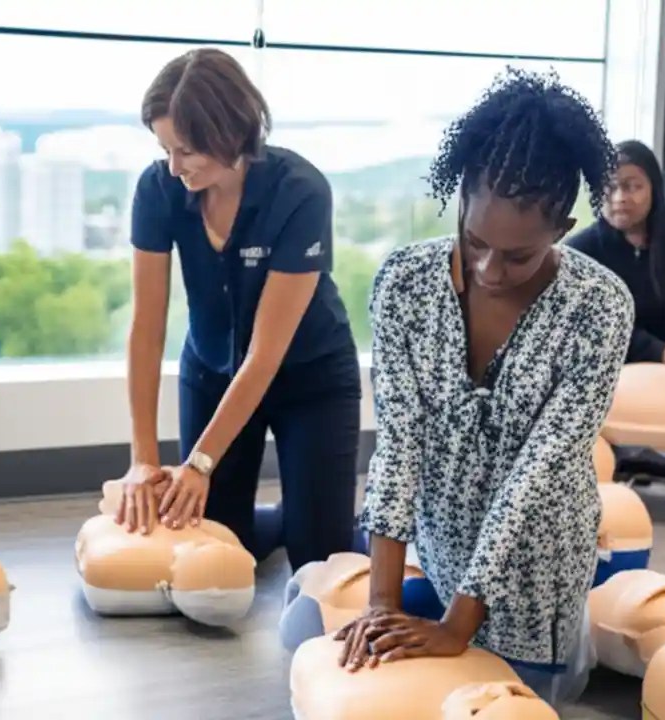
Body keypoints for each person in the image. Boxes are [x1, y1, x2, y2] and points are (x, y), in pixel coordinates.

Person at [337, 68, 633, 708]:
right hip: (440, 547)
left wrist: (457, 627)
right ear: (461, 194)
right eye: (474, 242)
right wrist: (380, 605)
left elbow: (539, 476)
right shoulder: (405, 284)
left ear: (564, 225)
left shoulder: (600, 307)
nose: (489, 270)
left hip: (536, 573)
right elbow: (398, 446)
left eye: (518, 255)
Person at [116, 47, 362, 572]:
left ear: (230, 133)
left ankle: (335, 526)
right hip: (211, 372)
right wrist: (143, 459)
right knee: (220, 551)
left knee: (320, 560)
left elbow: (265, 353)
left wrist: (200, 462)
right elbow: (146, 330)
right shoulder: (157, 189)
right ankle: (274, 519)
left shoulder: (301, 192)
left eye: (186, 151)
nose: (174, 166)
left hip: (309, 379)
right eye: (164, 149)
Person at [565, 139, 665, 366]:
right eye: (609, 187)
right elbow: (588, 325)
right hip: (608, 383)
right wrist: (659, 351)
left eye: (632, 186)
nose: (619, 197)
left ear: (654, 189)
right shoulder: (578, 254)